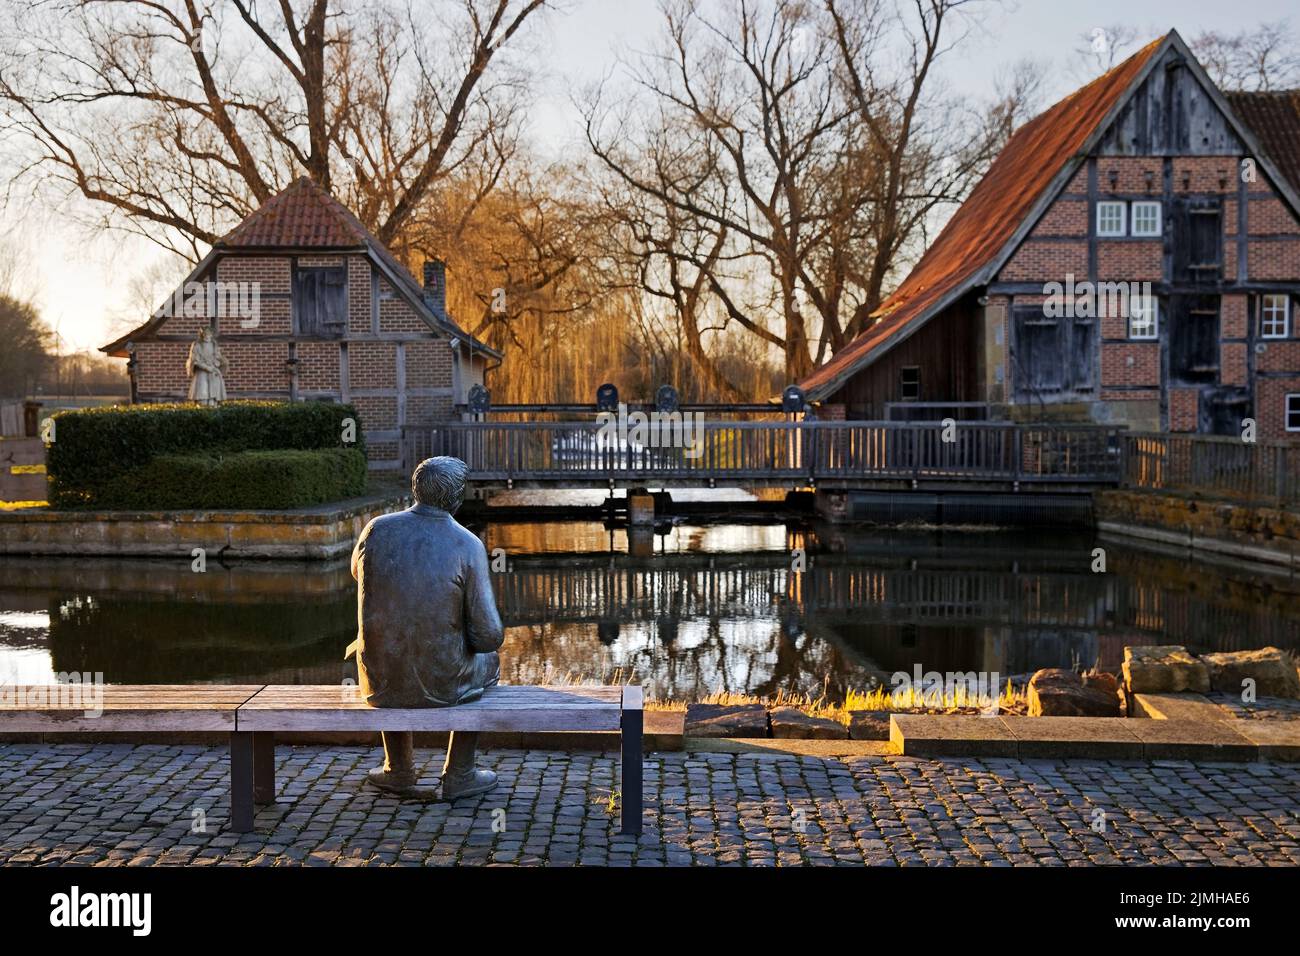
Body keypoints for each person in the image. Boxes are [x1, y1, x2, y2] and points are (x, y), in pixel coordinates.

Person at [348, 455, 503, 799]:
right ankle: (460, 772)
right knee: (490, 661)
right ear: (457, 498)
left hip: (378, 677)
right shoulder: (468, 544)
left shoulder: (376, 528)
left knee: (390, 648)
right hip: (442, 681)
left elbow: (357, 573)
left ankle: (398, 768)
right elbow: (488, 635)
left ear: (415, 489)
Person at [186, 327, 228, 405]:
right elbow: (194, 360)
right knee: (202, 396)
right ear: (201, 335)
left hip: (213, 372)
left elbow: (218, 357)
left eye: (208, 334)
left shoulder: (214, 345)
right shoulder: (197, 345)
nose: (206, 336)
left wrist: (220, 362)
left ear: (211, 335)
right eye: (204, 334)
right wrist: (206, 367)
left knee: (214, 398)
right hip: (202, 372)